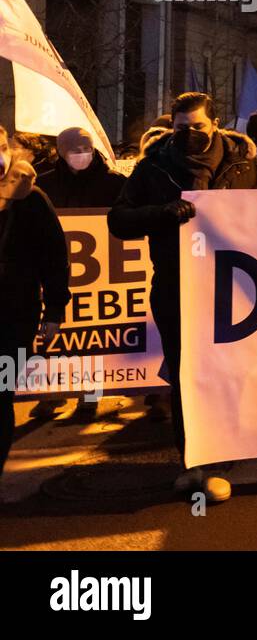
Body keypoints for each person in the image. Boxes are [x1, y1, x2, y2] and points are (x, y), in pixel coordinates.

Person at [108, 92, 257, 503]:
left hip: (234, 290)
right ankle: (193, 461)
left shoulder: (242, 165)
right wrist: (162, 212)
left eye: (197, 127)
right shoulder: (153, 167)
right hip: (176, 287)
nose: (189, 136)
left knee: (226, 375)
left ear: (214, 124)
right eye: (181, 128)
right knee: (186, 376)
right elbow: (120, 220)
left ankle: (221, 461)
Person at [32, 127, 127, 422]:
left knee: (94, 333)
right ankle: (51, 393)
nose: (81, 155)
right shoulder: (45, 184)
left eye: (85, 149)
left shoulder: (115, 183)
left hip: (101, 271)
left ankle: (90, 395)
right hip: (57, 267)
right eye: (74, 151)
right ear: (62, 153)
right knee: (57, 334)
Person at [0, 126, 70, 482]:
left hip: (13, 316)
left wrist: (54, 310)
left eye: (0, 148)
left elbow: (54, 258)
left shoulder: (31, 198)